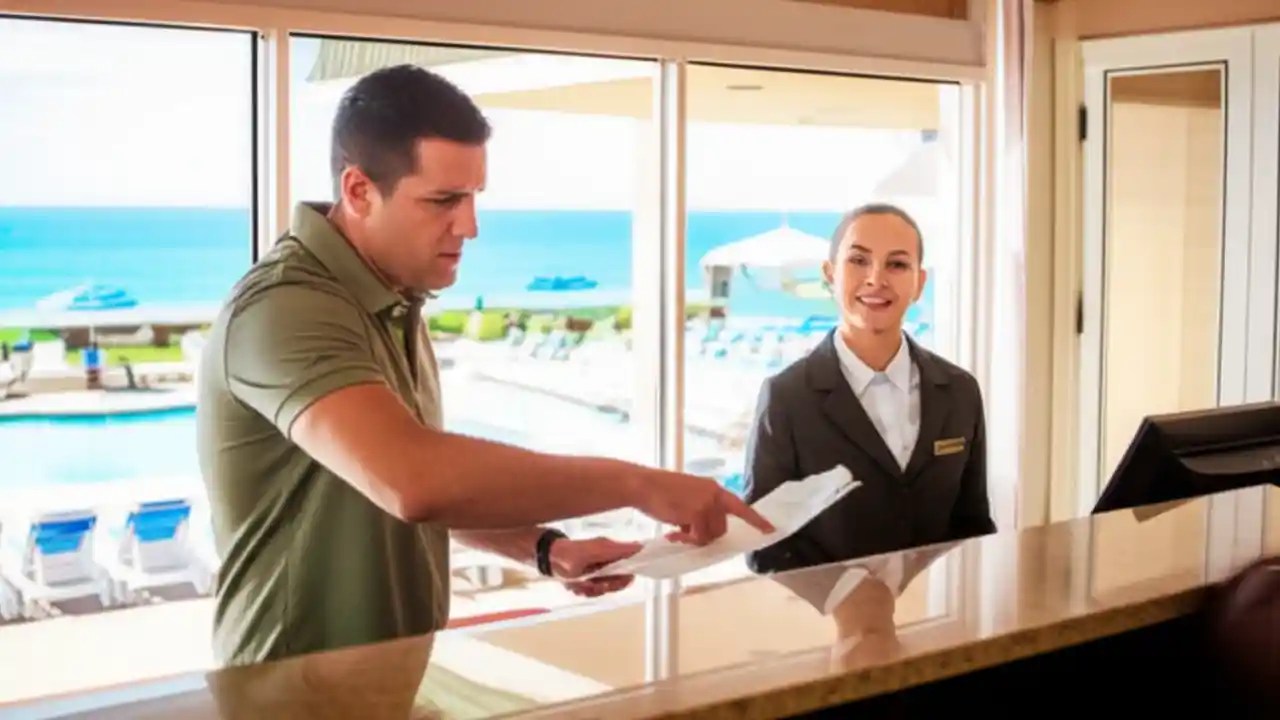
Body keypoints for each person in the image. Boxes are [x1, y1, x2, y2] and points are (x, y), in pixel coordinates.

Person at [196, 64, 771, 666]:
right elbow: (413, 480)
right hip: (291, 695)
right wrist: (641, 482)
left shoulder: (390, 297)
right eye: (443, 201)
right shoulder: (288, 308)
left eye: (472, 198)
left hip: (390, 681)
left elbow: (390, 488)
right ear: (360, 191)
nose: (469, 226)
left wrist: (545, 550)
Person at [744, 203, 994, 575]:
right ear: (830, 274)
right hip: (831, 625)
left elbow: (973, 524)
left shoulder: (960, 391)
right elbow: (763, 543)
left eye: (897, 264)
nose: (876, 279)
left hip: (940, 622)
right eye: (858, 261)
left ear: (919, 283)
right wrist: (845, 604)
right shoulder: (787, 398)